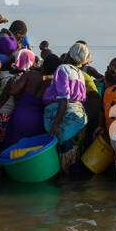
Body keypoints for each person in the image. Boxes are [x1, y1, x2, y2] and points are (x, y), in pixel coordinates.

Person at [43, 43, 91, 173]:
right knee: (72, 157)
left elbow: (64, 99)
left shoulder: (62, 69)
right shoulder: (80, 74)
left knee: (60, 154)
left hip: (63, 115)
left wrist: (55, 124)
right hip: (79, 116)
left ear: (70, 53)